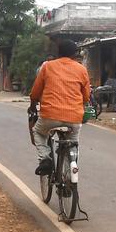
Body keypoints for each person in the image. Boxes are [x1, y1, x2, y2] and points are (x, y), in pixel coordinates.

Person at [29, 39, 91, 175]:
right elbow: (86, 97)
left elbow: (35, 92)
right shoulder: (81, 69)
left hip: (49, 116)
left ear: (58, 53)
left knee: (38, 132)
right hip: (74, 117)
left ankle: (45, 158)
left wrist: (33, 105)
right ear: (75, 54)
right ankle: (71, 168)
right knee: (73, 143)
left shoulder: (47, 66)